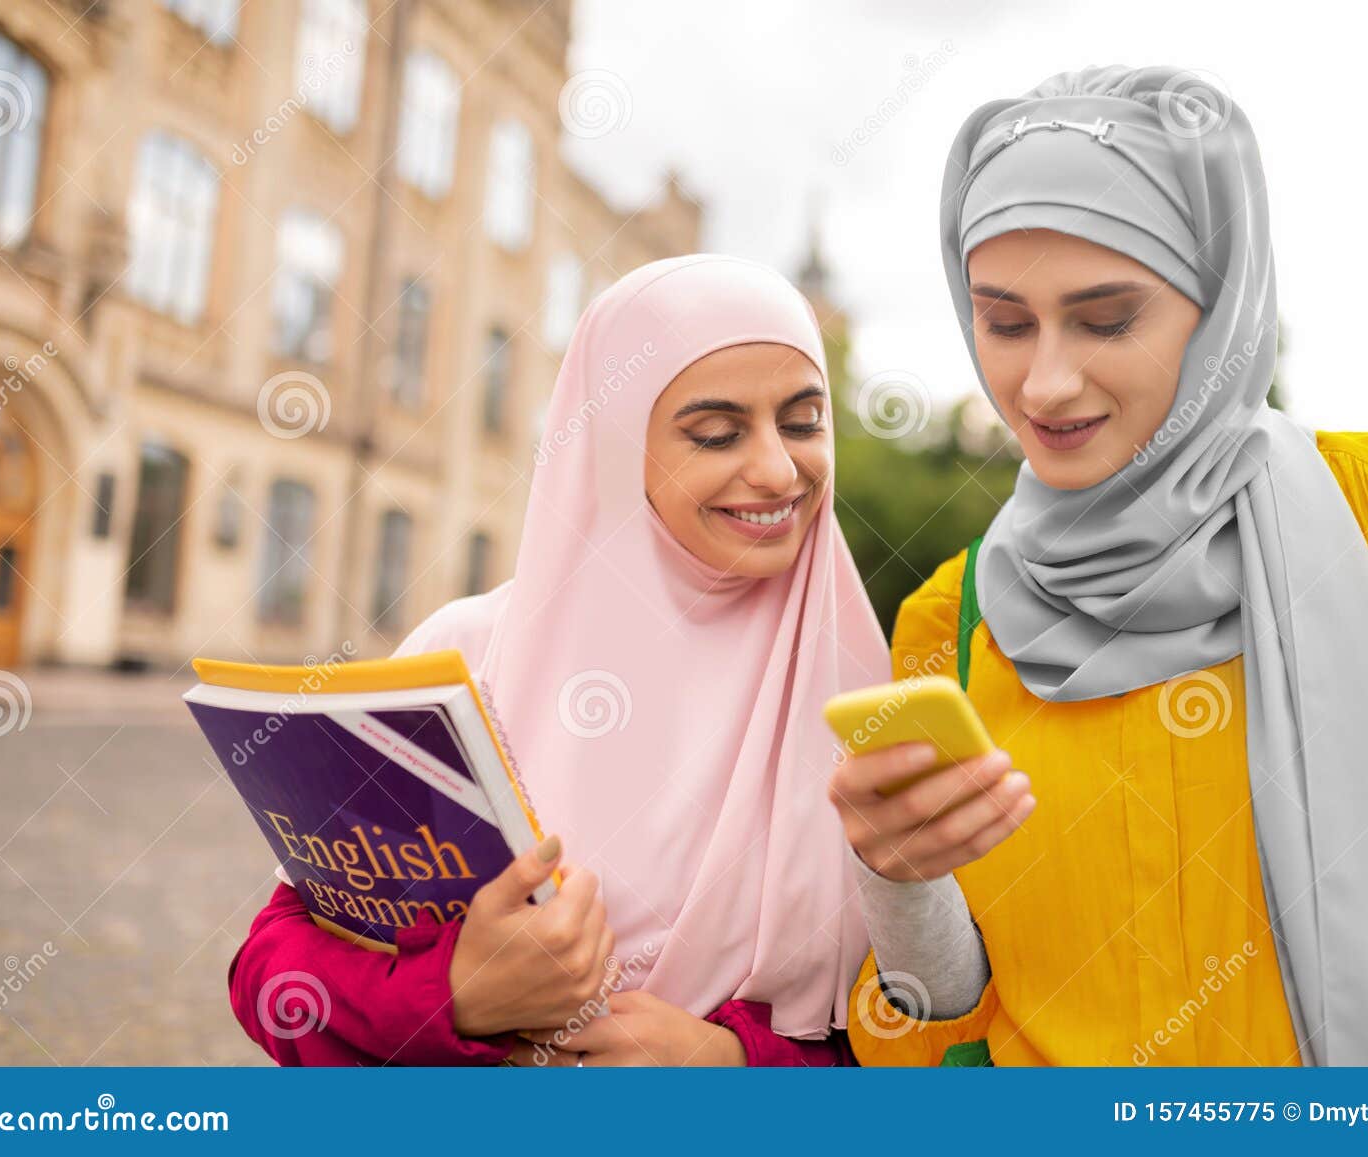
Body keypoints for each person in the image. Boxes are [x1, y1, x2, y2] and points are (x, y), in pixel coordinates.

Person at [831, 64, 1368, 1067]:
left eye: (1106, 319)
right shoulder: (952, 619)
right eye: (1004, 321)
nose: (1044, 383)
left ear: (1220, 310)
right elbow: (933, 1042)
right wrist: (899, 883)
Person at [230, 254, 890, 1066]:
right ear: (615, 445)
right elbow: (273, 970)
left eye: (803, 422)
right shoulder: (463, 658)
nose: (778, 469)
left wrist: (732, 1064)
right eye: (717, 433)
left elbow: (932, 1040)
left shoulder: (869, 700)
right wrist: (456, 996)